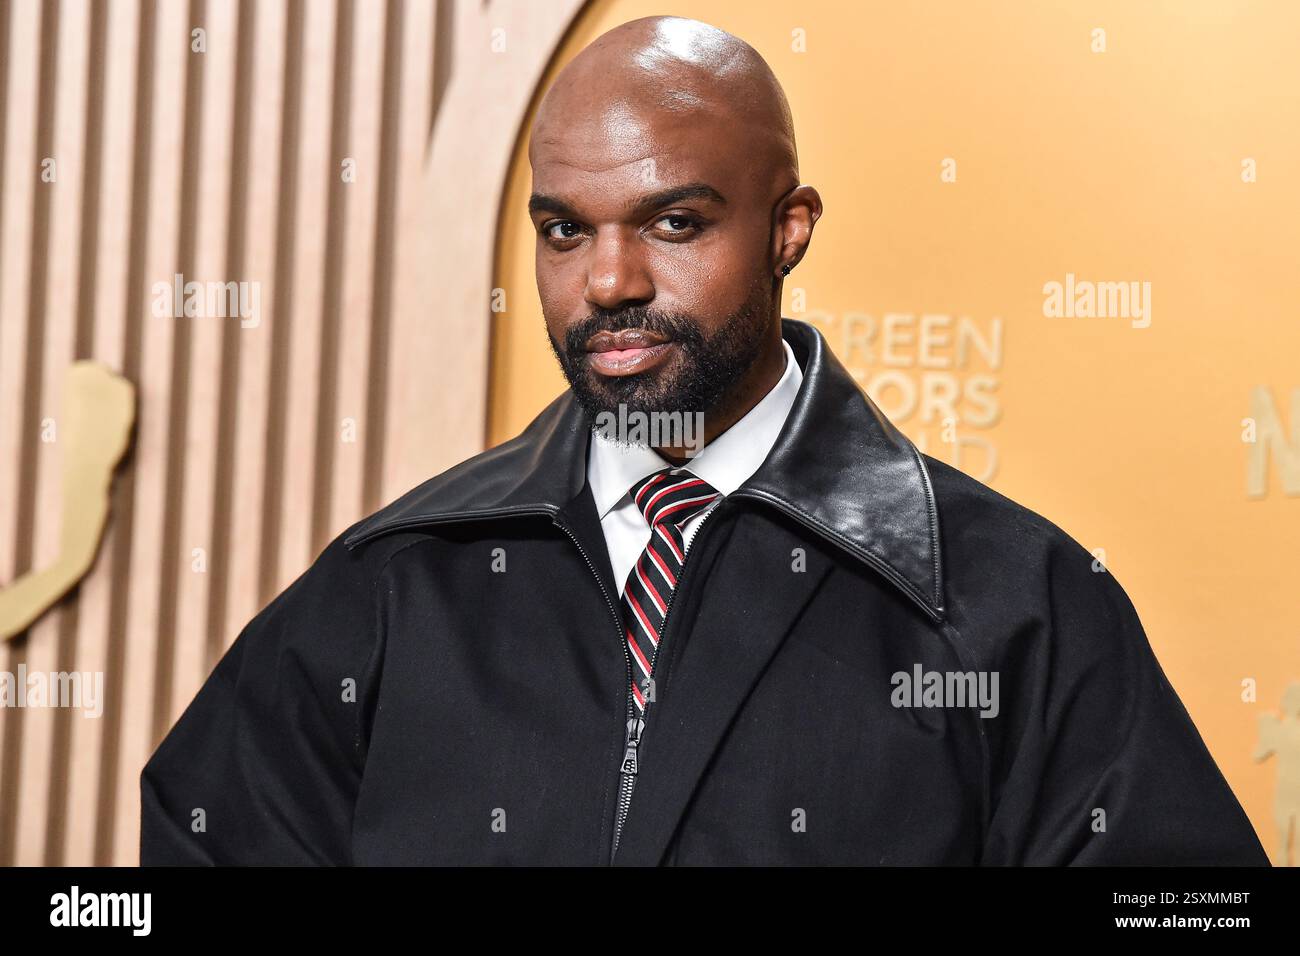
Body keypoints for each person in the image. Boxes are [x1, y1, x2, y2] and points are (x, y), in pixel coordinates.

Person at [140, 15, 1268, 866]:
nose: (609, 281)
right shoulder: (398, 579)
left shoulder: (1014, 603)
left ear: (789, 229)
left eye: (674, 222)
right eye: (563, 231)